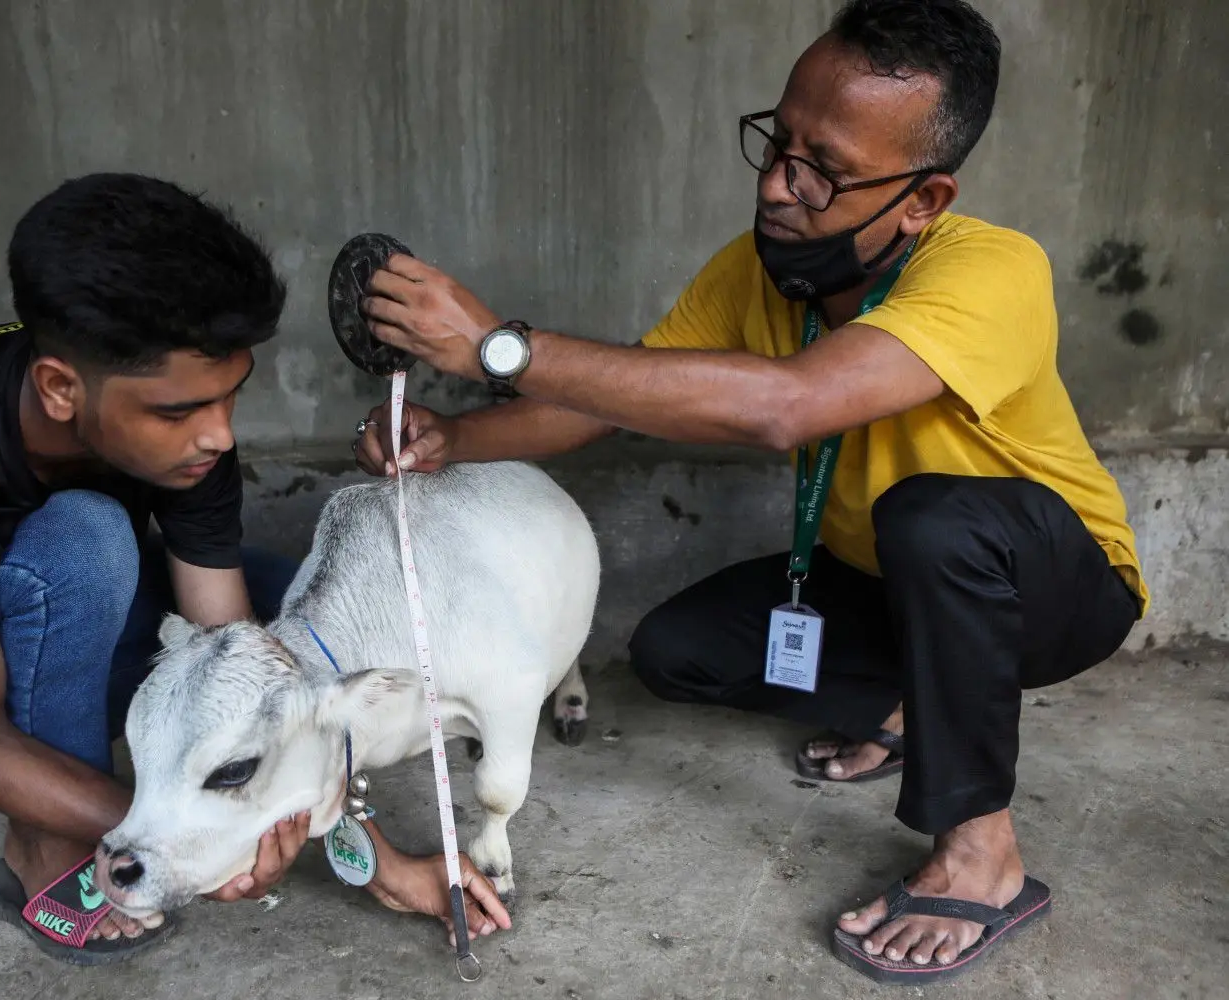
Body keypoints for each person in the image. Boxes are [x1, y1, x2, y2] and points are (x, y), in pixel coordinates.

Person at [352, 0, 1145, 983]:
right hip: (890, 585)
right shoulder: (763, 272)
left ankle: (983, 858)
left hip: (1052, 593)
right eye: (778, 141)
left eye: (824, 171)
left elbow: (790, 406)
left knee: (935, 516)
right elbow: (612, 398)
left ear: (924, 200)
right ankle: (912, 710)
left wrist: (494, 346)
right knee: (679, 651)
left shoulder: (993, 270)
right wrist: (451, 437)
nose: (778, 186)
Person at [0, 172, 509, 964]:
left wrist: (378, 864)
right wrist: (180, 839)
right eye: (181, 412)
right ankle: (40, 848)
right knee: (82, 545)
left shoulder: (180, 430)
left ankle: (48, 741)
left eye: (230, 398)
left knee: (286, 617)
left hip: (61, 602)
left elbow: (242, 670)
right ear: (59, 389)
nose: (219, 438)